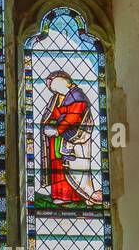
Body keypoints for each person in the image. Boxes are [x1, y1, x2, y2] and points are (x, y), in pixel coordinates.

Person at [39, 71, 103, 204]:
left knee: (72, 165)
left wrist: (57, 130)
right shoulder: (57, 97)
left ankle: (74, 196)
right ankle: (59, 195)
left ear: (63, 81)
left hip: (75, 139)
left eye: (53, 85)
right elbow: (56, 113)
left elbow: (73, 117)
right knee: (57, 163)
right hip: (58, 139)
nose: (51, 88)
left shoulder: (77, 95)